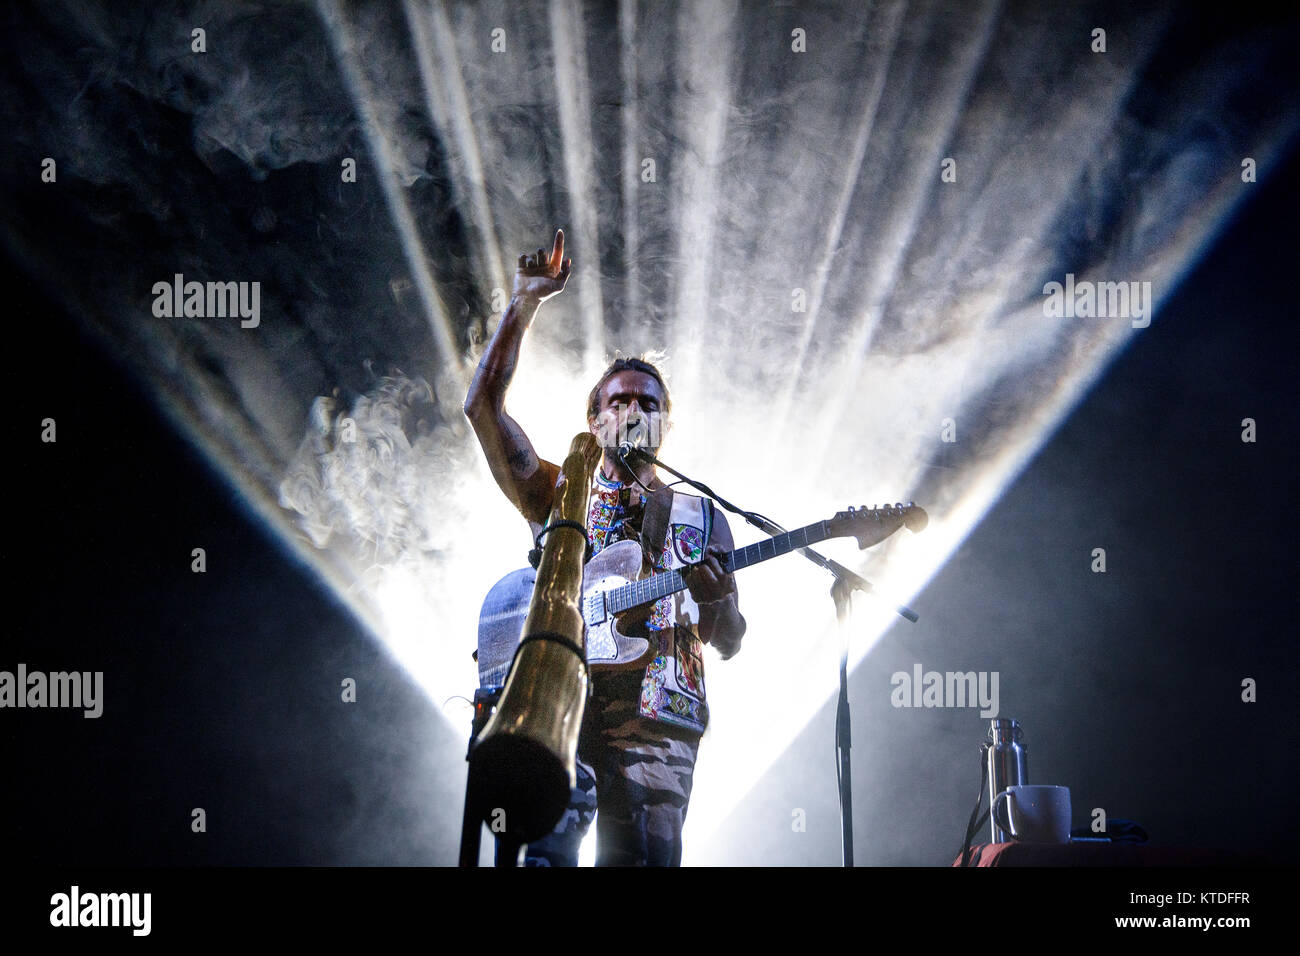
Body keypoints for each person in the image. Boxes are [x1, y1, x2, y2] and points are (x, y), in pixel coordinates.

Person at [464, 229, 746, 865]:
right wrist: (524, 304)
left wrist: (716, 600)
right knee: (546, 855)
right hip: (560, 704)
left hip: (659, 726)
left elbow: (730, 638)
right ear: (595, 420)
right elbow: (482, 406)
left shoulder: (703, 516)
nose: (634, 409)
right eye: (618, 401)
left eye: (648, 402)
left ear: (665, 424)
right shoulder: (559, 495)